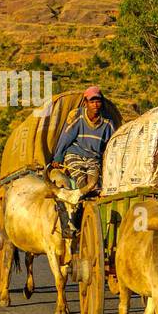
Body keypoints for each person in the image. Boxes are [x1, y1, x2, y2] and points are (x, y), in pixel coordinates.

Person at [51, 85, 114, 237]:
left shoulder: (107, 123)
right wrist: (58, 157)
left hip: (94, 159)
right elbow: (66, 138)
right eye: (92, 101)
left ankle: (93, 220)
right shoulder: (77, 117)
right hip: (75, 155)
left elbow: (110, 146)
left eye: (98, 101)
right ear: (85, 102)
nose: (95, 104)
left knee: (95, 187)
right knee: (82, 184)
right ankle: (76, 220)